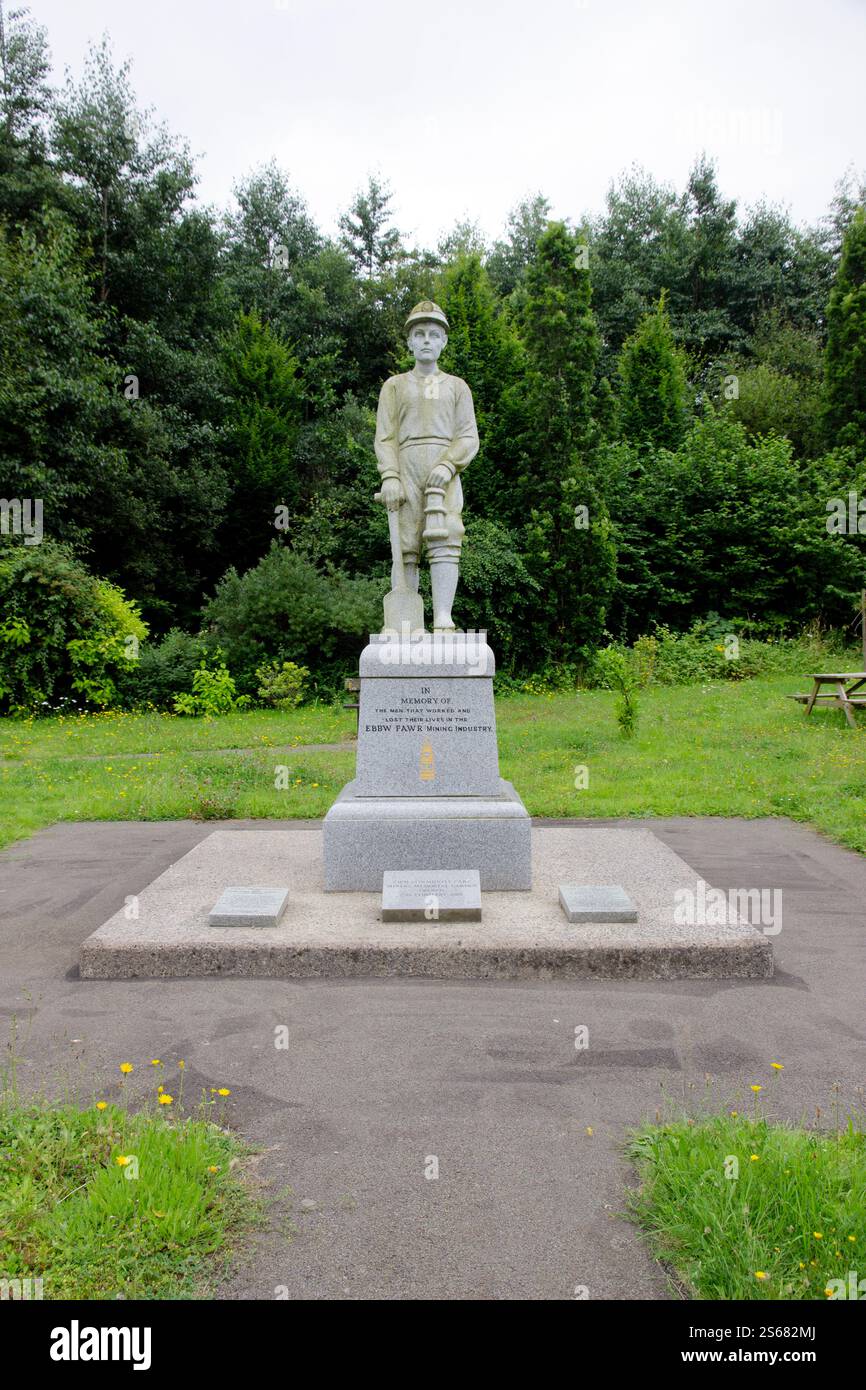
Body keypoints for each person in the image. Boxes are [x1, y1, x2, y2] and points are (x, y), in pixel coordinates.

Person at [374, 300, 479, 632]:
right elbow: (385, 437)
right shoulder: (394, 386)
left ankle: (443, 618)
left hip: (444, 476)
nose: (426, 341)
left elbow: (468, 436)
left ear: (444, 341)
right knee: (405, 544)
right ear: (409, 341)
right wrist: (390, 476)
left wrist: (449, 465)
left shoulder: (457, 387)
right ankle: (407, 623)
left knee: (446, 537)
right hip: (406, 468)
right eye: (419, 334)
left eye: (434, 334)